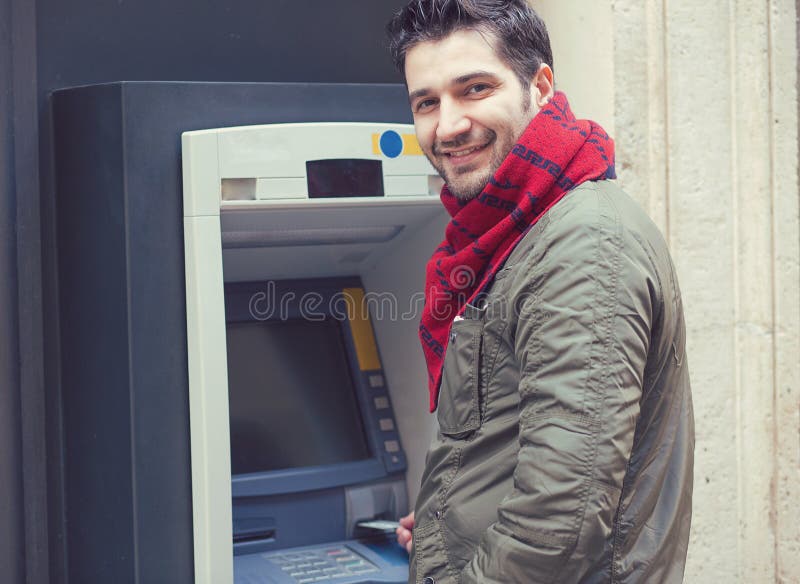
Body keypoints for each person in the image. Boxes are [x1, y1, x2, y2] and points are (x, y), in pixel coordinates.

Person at [386, 1, 694, 582]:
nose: (447, 126)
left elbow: (560, 521)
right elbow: (520, 442)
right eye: (426, 102)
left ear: (541, 87)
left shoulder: (583, 244)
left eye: (474, 88)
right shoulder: (516, 230)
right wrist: (443, 524)